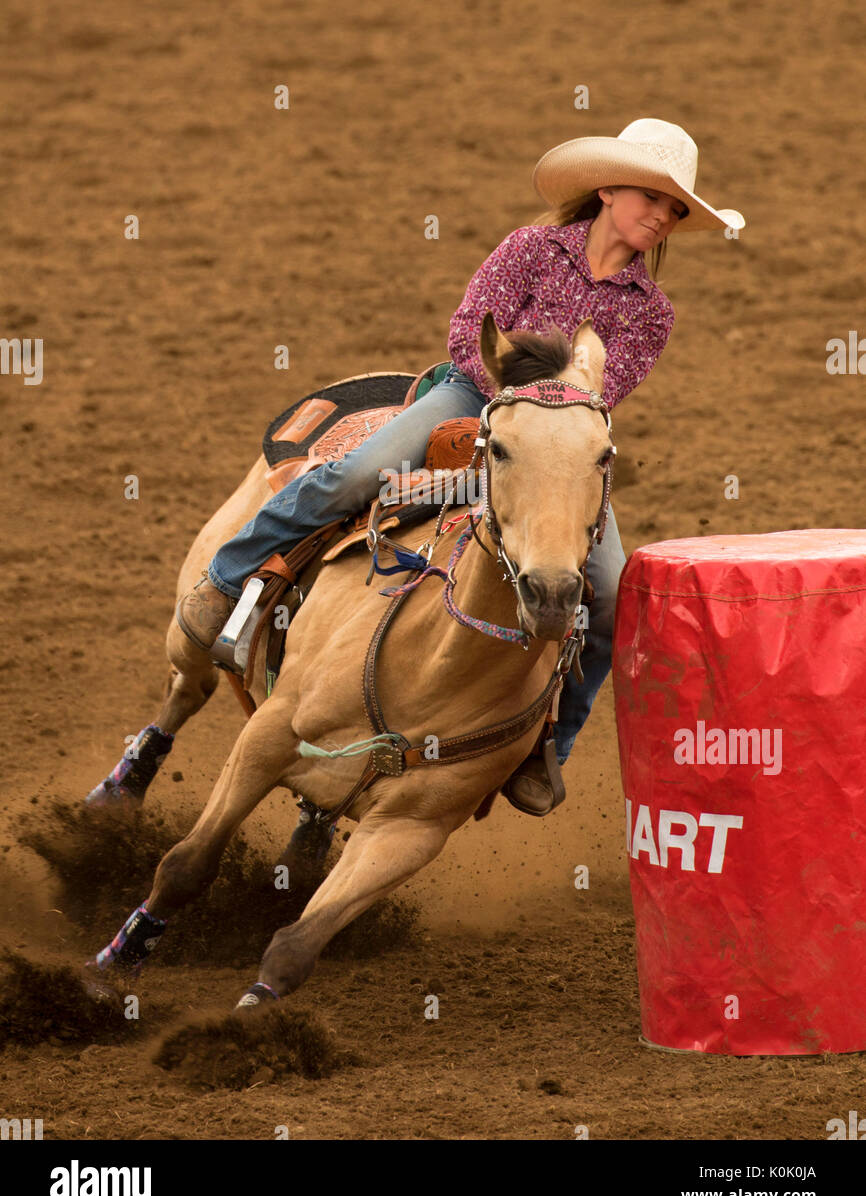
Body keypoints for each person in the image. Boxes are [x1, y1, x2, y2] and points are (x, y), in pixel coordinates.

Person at [176, 118, 744, 815]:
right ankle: (227, 577)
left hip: (556, 446)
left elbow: (605, 391)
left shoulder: (651, 313)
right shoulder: (531, 249)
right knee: (357, 475)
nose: (661, 216)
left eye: (673, 208)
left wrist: (540, 422)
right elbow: (469, 326)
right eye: (651, 198)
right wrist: (508, 397)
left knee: (611, 595)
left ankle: (547, 747)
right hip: (470, 392)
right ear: (606, 189)